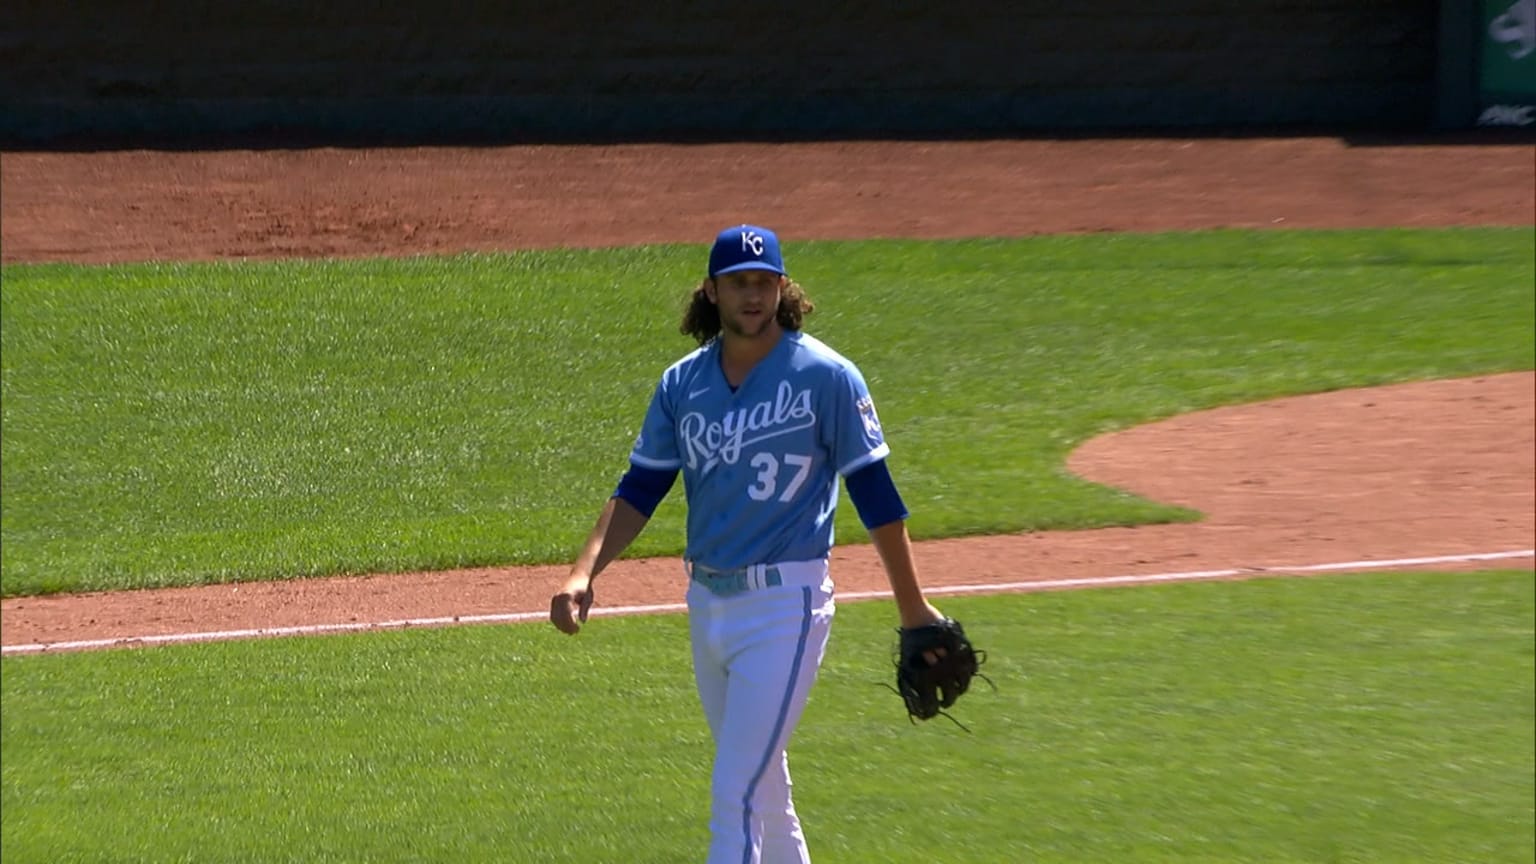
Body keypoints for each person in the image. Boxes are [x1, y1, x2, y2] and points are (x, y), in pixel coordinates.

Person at [550, 224, 951, 864]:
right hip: (707, 604)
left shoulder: (828, 377)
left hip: (785, 607)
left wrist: (912, 608)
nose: (753, 294)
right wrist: (583, 572)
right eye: (739, 282)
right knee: (764, 792)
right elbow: (640, 489)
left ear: (782, 288)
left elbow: (876, 496)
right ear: (712, 291)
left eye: (765, 282)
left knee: (732, 793)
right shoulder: (683, 384)